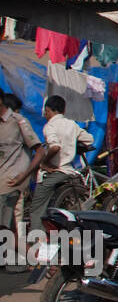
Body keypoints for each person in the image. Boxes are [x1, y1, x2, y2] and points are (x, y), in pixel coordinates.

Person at [25, 96, 93, 232]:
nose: (44, 114)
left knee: (36, 208)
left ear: (49, 110)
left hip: (56, 171)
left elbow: (55, 147)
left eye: (45, 111)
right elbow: (89, 139)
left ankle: (37, 241)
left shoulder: (50, 126)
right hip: (69, 170)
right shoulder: (71, 124)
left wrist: (45, 162)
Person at [1, 93, 44, 269]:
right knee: (9, 230)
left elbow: (40, 151)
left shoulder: (19, 121)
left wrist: (24, 175)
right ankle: (42, 262)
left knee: (7, 228)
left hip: (10, 183)